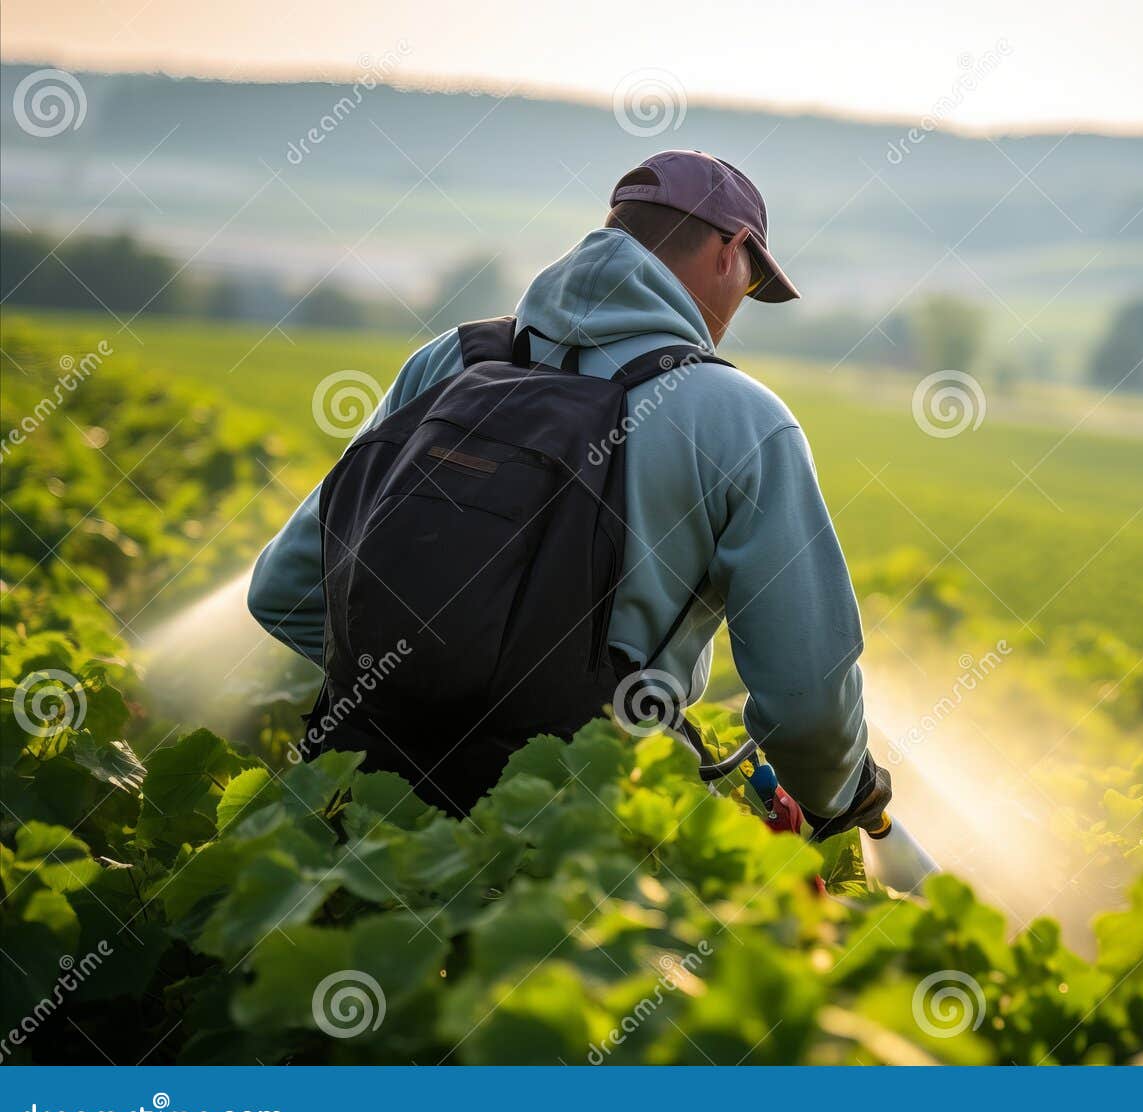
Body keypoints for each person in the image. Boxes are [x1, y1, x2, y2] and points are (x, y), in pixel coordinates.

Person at [247, 148, 889, 838]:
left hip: (364, 809)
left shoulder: (449, 362)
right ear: (731, 252)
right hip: (585, 839)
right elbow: (807, 701)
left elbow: (285, 591)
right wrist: (847, 791)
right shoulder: (740, 419)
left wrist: (429, 690)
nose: (736, 307)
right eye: (749, 280)